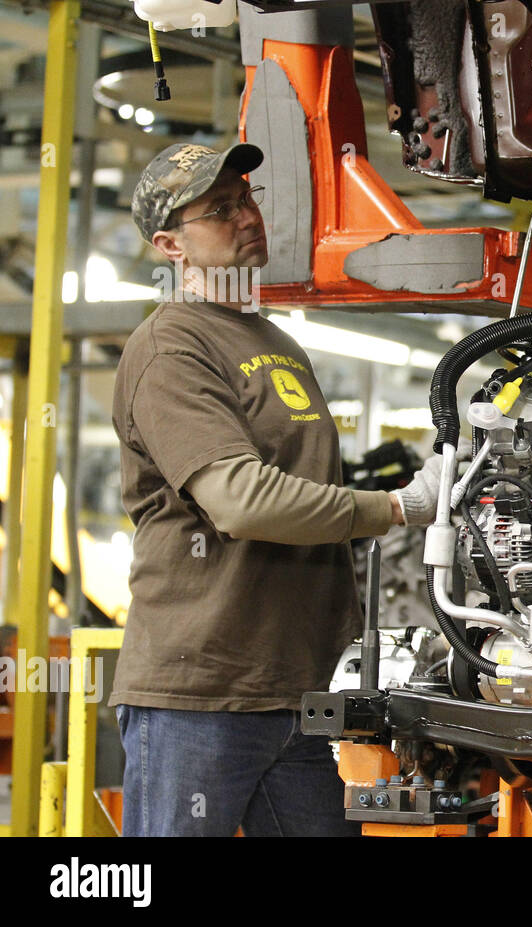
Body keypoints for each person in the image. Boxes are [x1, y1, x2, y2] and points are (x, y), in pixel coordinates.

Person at [111, 141, 439, 836]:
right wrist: (395, 507)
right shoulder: (171, 346)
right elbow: (241, 499)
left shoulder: (274, 340)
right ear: (171, 244)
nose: (247, 216)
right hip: (200, 693)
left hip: (298, 689)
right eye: (220, 210)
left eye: (248, 198)